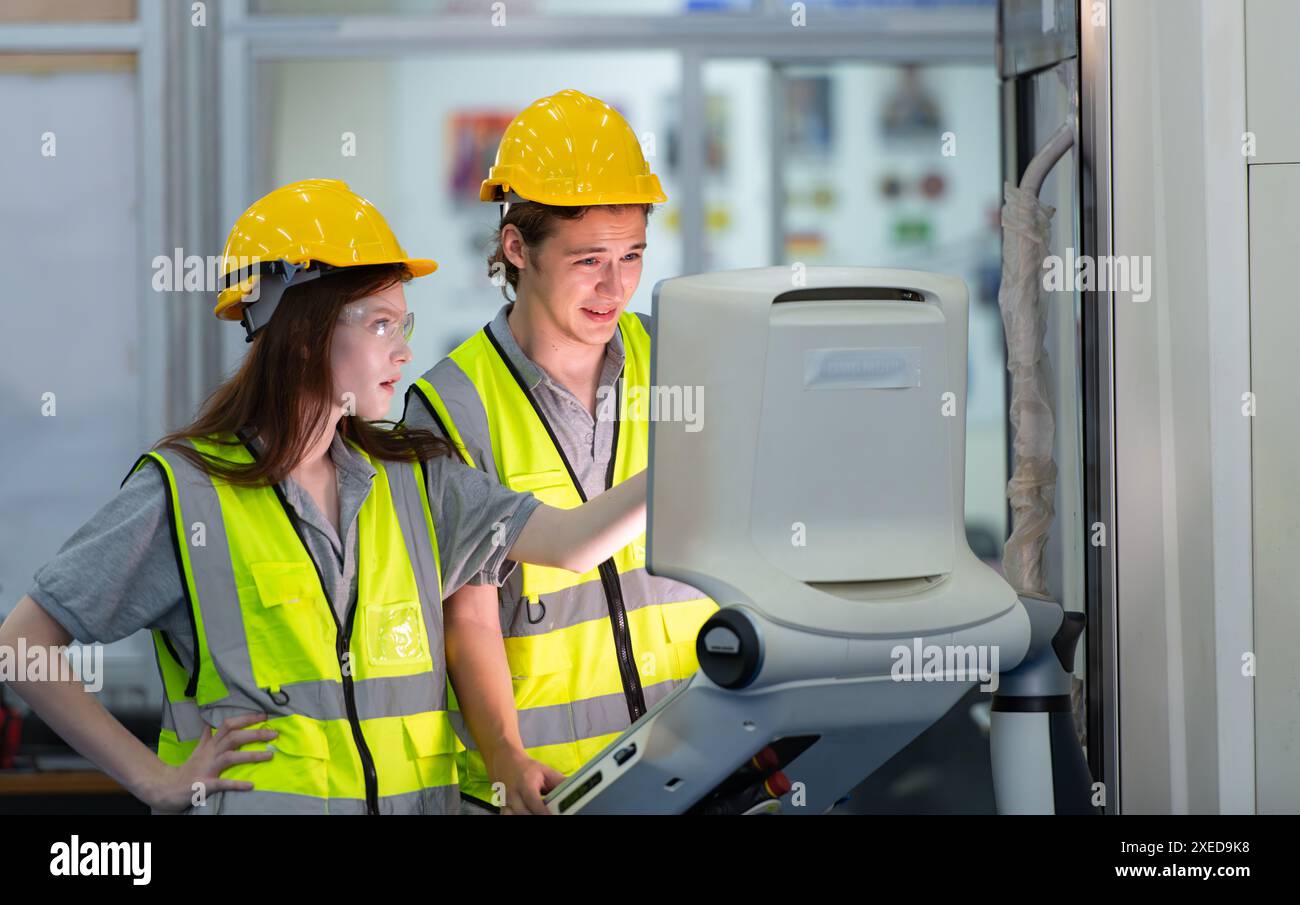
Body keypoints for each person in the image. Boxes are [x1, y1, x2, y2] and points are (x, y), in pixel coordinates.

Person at [0, 178, 648, 815]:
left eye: (403, 322)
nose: (404, 349)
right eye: (383, 324)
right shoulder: (189, 493)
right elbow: (20, 645)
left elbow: (572, 542)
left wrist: (701, 451)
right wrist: (155, 780)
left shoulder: (417, 482)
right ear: (307, 333)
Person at [402, 90, 716, 815]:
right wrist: (507, 757)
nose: (616, 286)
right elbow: (470, 616)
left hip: (705, 767)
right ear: (517, 248)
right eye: (590, 261)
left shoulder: (679, 356)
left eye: (633, 255)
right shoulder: (451, 406)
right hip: (555, 788)